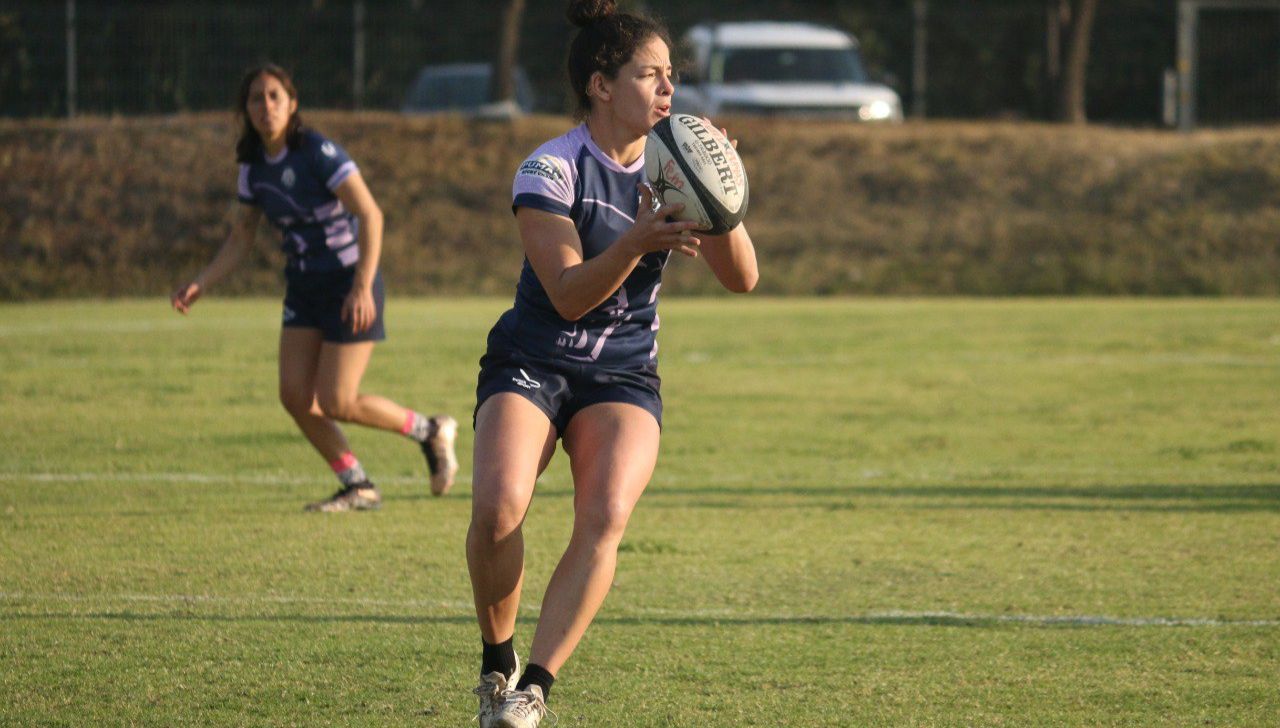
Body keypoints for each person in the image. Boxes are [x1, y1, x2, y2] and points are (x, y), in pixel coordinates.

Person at [465, 2, 759, 725]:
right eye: (649, 74)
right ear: (601, 85)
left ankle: (532, 689)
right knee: (500, 507)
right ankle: (497, 656)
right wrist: (636, 239)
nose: (667, 90)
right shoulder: (551, 166)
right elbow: (566, 296)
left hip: (622, 370)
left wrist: (721, 194)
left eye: (671, 76)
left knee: (604, 517)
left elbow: (742, 278)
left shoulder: (672, 166)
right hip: (534, 358)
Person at [171, 63, 458, 512]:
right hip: (305, 287)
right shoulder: (251, 165)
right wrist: (201, 282)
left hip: (349, 281)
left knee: (337, 399)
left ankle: (430, 430)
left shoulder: (316, 151)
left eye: (273, 97)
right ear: (244, 109)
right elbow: (242, 235)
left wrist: (362, 286)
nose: (265, 106)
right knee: (295, 395)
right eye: (255, 99)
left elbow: (371, 214)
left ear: (292, 104)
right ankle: (357, 484)